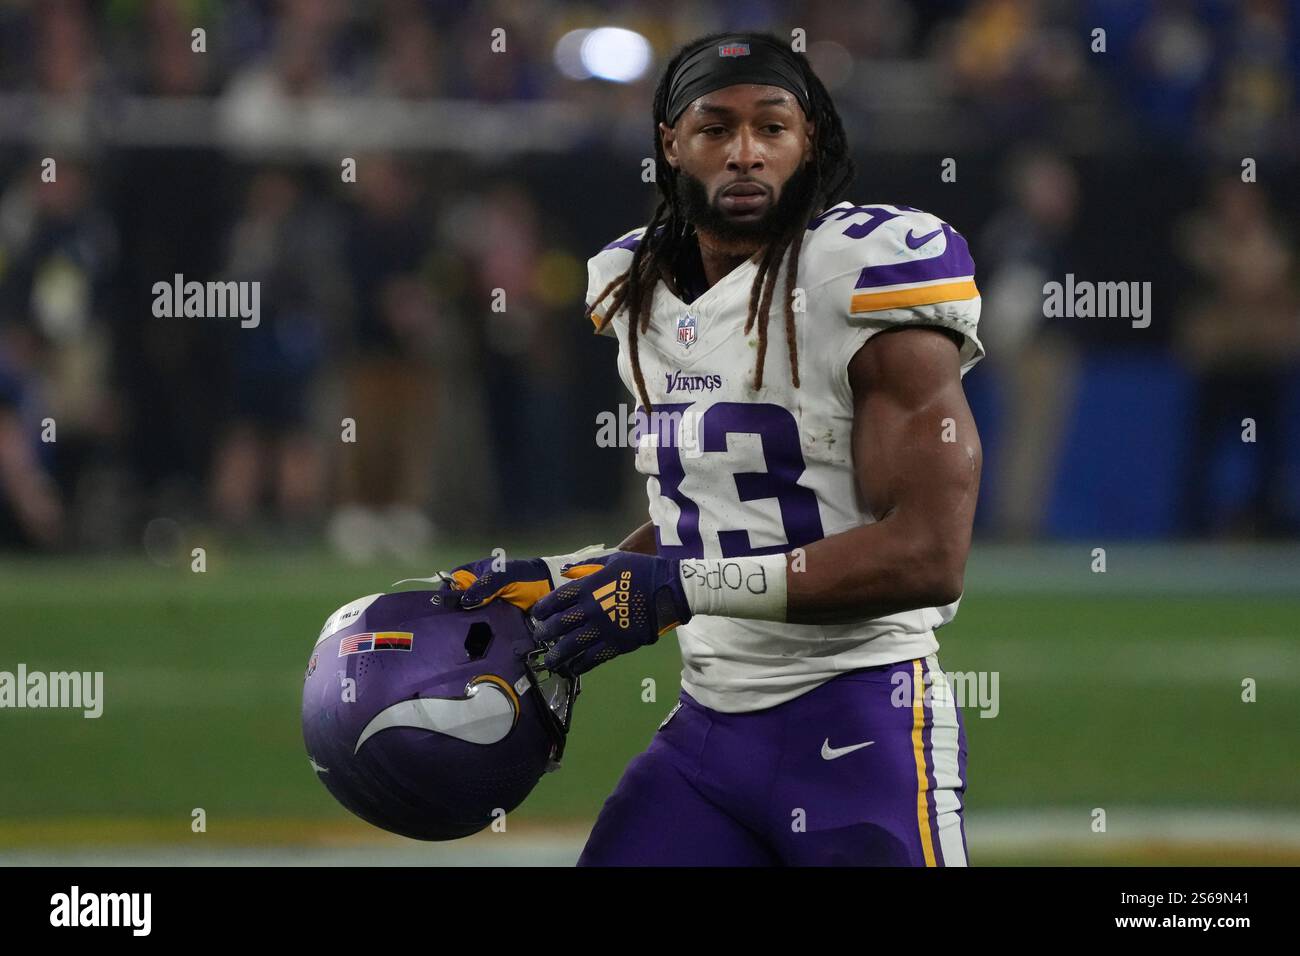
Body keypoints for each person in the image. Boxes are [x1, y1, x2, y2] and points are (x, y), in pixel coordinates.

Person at [446, 31, 984, 866]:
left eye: (772, 128)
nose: (745, 153)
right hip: (707, 739)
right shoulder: (633, 286)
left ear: (809, 143)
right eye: (715, 128)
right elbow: (715, 513)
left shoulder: (863, 271)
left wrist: (670, 592)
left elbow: (927, 555)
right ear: (671, 142)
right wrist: (565, 579)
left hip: (859, 722)